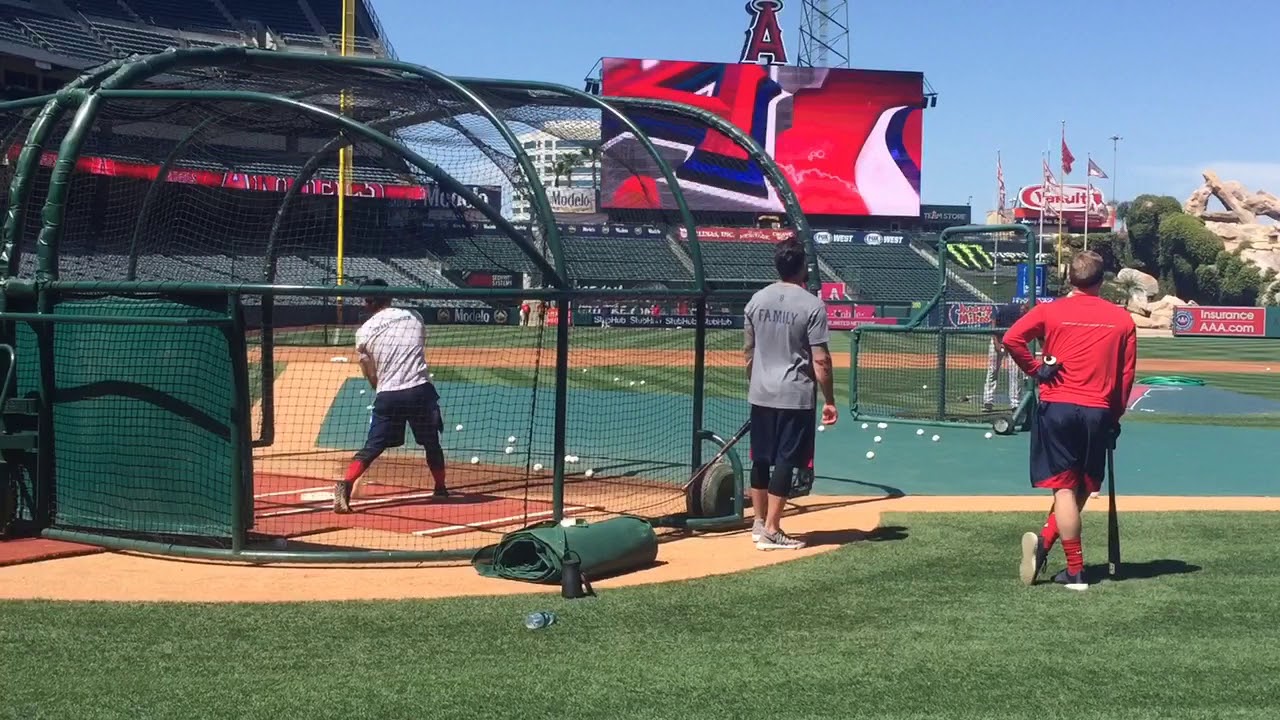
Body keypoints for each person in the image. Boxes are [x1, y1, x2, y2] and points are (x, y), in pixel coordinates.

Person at [1001, 251, 1137, 591]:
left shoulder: (1050, 310)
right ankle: (1047, 544)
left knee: (1064, 487)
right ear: (1101, 281)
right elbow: (1126, 377)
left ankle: (1073, 568)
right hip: (1097, 410)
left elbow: (1011, 339)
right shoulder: (1121, 319)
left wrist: (1035, 370)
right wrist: (1114, 417)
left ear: (1069, 278)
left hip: (1058, 407)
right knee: (1082, 486)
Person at [743, 238, 838, 551]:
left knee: (760, 457)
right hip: (793, 393)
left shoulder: (756, 300)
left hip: (761, 392)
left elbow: (749, 352)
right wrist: (830, 400)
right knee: (785, 458)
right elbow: (821, 359)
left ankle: (758, 523)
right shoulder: (811, 305)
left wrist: (755, 383)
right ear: (802, 268)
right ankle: (772, 528)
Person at [334, 279, 448, 514]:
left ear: (368, 302)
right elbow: (416, 347)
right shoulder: (415, 316)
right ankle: (440, 487)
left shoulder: (363, 332)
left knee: (373, 446)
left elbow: (369, 370)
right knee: (431, 443)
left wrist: (380, 387)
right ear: (391, 296)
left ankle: (345, 484)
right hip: (419, 390)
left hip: (388, 395)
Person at [983, 301, 1029, 413]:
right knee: (993, 370)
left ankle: (1015, 403)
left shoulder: (1029, 318)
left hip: (1013, 343)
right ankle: (988, 401)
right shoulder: (1010, 309)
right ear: (1024, 308)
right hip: (998, 339)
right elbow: (994, 320)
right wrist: (996, 343)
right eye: (1027, 311)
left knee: (1015, 372)